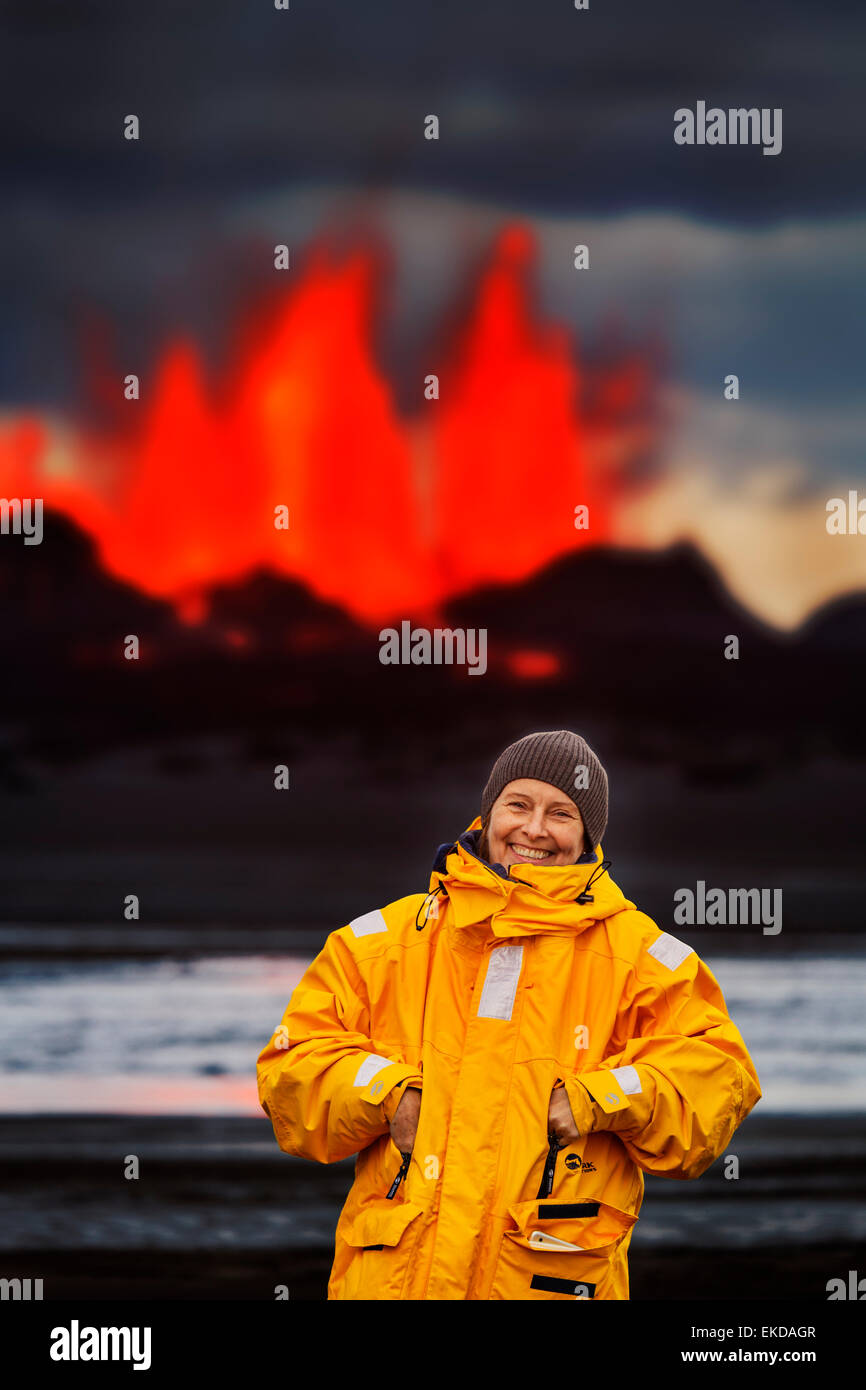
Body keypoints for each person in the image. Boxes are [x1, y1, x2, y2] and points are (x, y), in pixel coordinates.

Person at [256, 729, 762, 1300]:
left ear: (588, 834)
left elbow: (718, 1080)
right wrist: (385, 1094)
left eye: (561, 813)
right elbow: (289, 1071)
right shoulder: (382, 943)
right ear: (487, 813)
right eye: (518, 804)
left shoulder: (643, 959)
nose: (534, 829)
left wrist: (602, 1098)